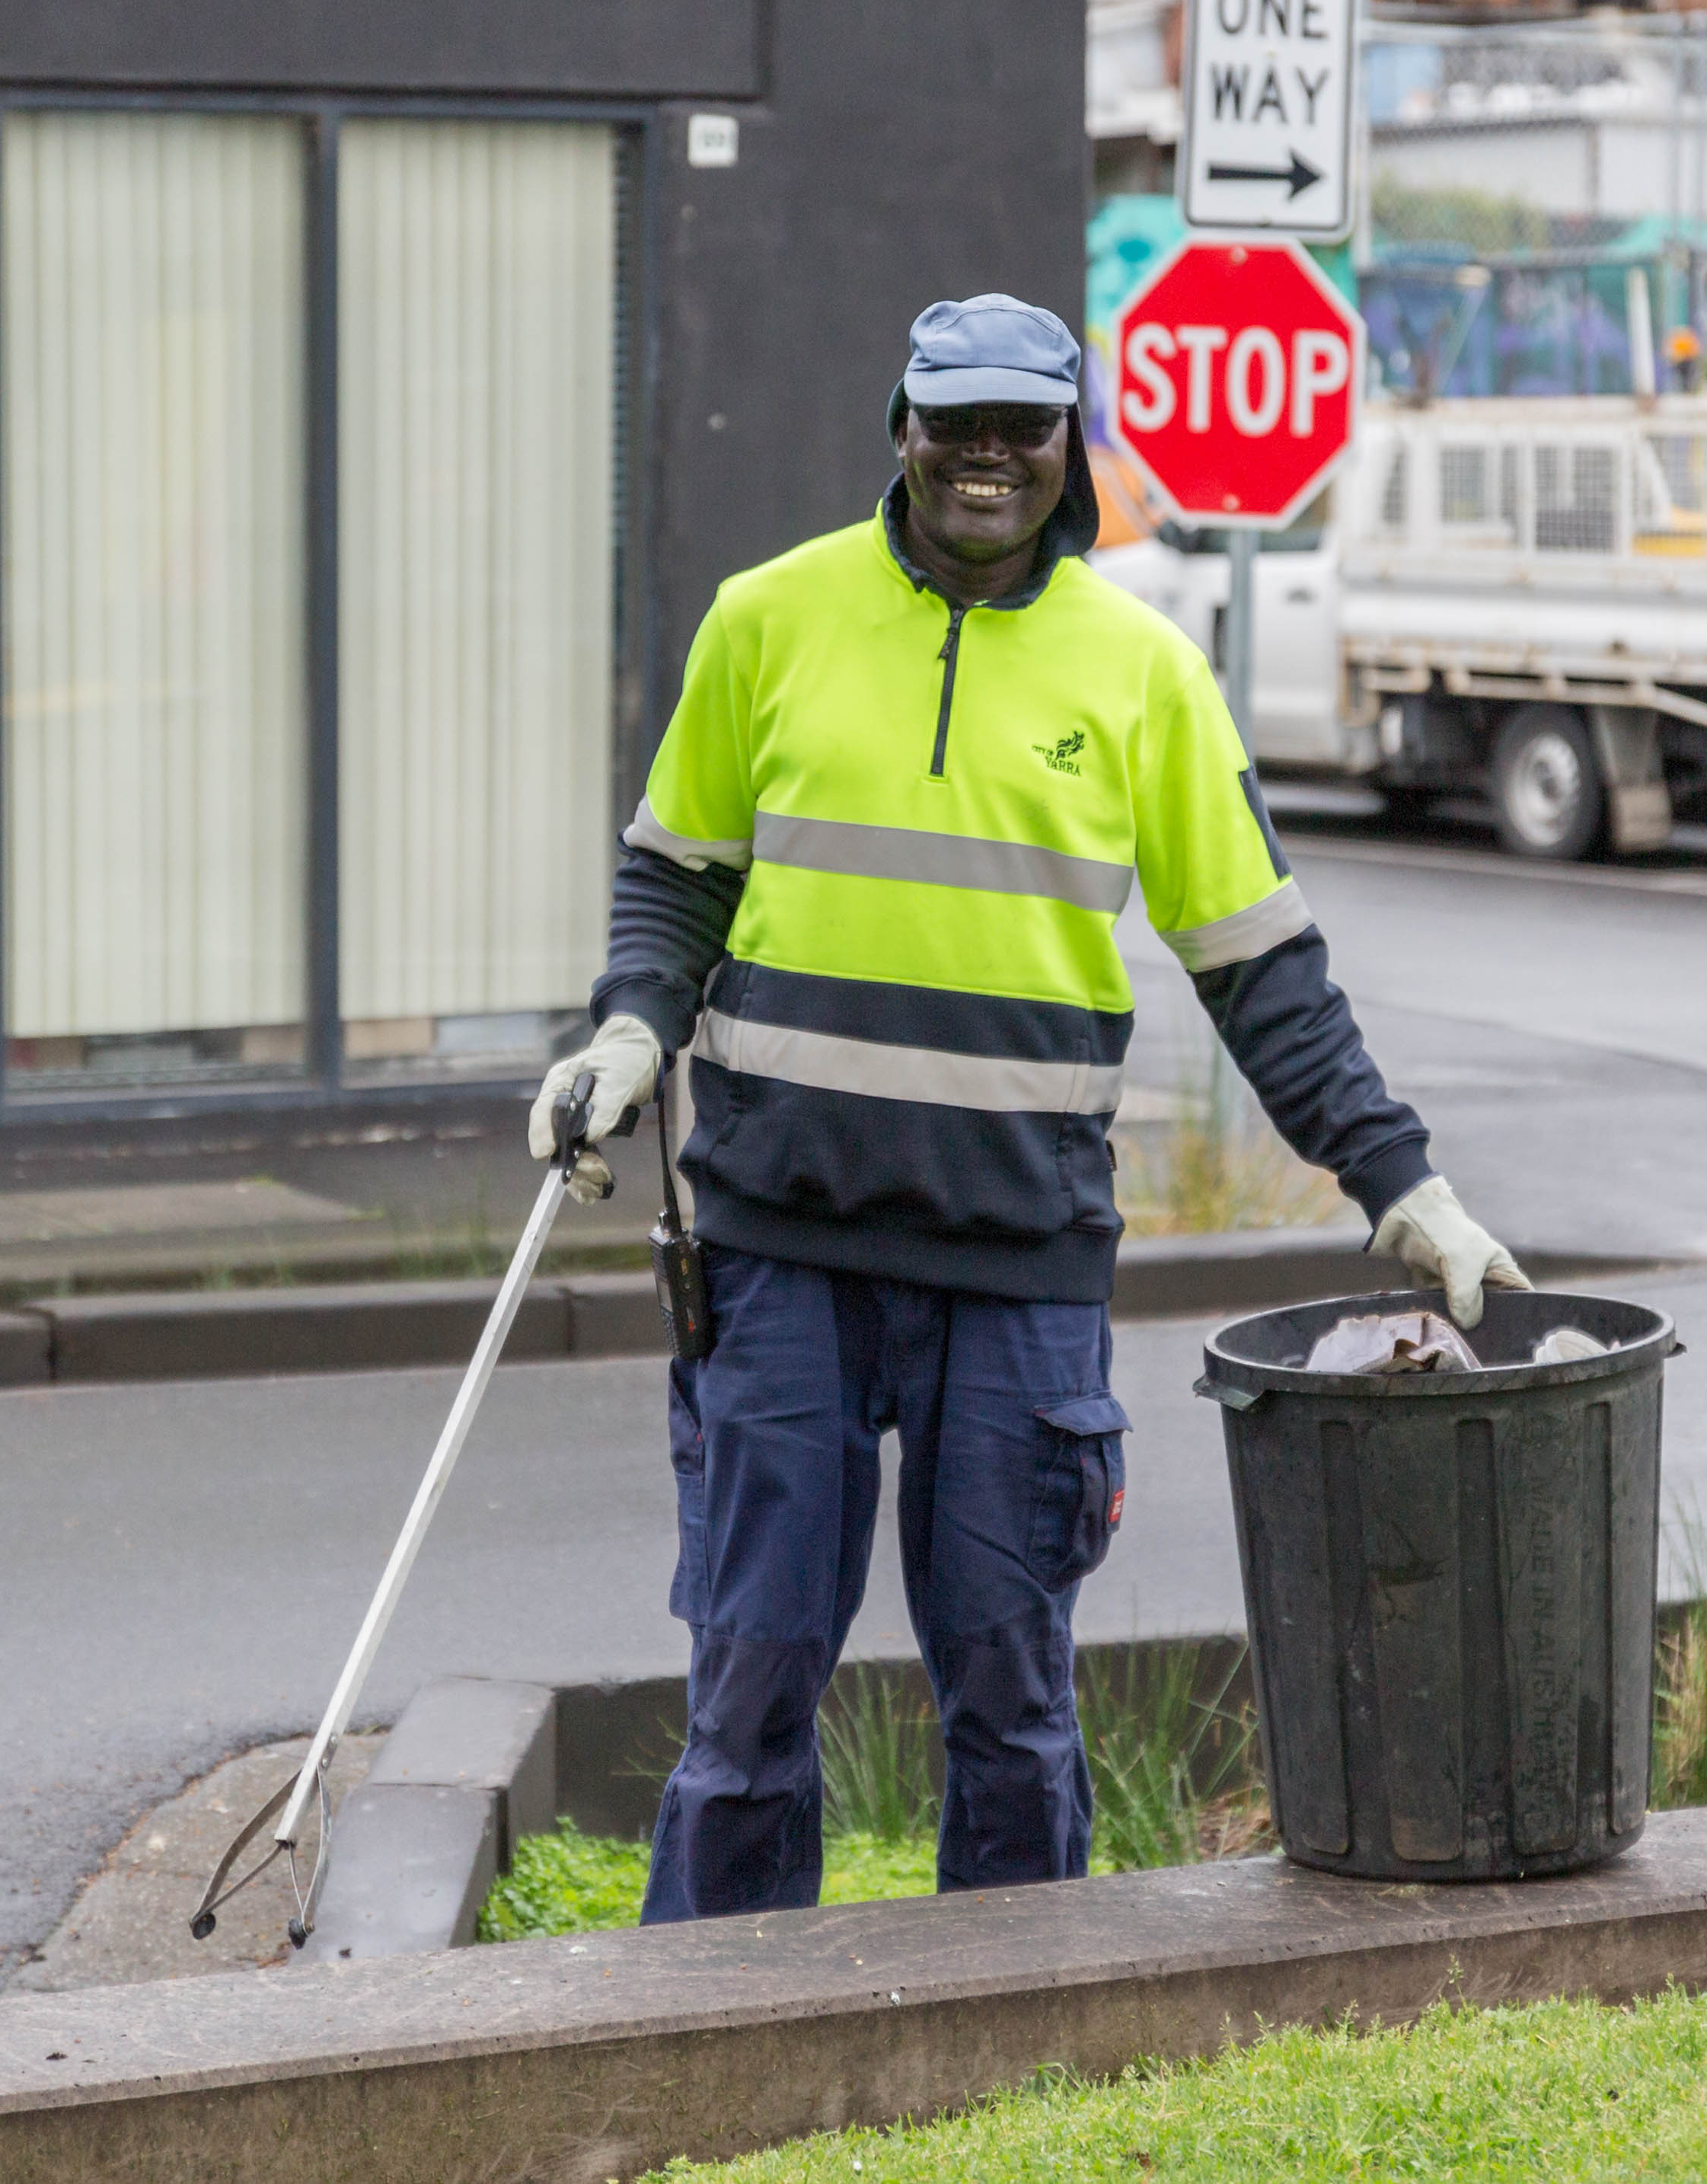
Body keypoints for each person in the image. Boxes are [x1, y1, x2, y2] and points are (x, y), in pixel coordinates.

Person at [538, 292, 1524, 1922]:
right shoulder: (766, 620)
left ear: (1071, 449)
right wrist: (632, 1029)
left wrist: (1397, 1182)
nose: (985, 456)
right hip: (778, 1247)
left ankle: (1008, 2048)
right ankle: (700, 2035)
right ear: (901, 427)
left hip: (1020, 1263)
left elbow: (1260, 970)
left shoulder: (1142, 674)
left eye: (1022, 427)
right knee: (747, 1687)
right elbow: (674, 881)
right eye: (955, 422)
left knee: (1008, 1702)